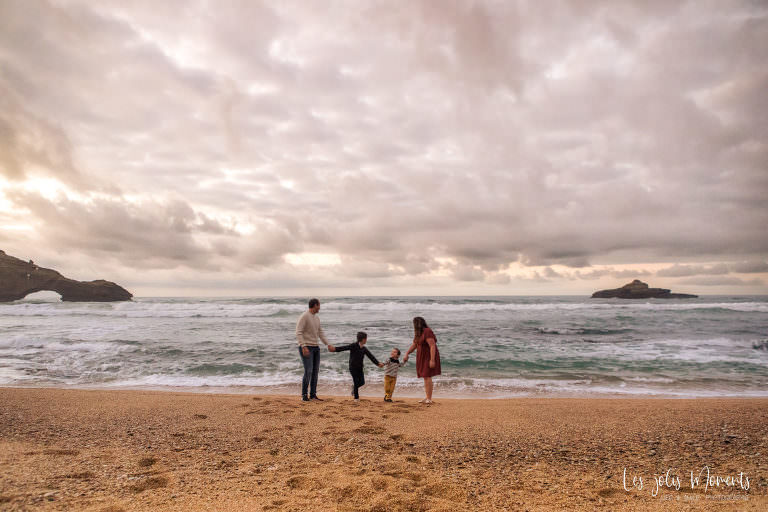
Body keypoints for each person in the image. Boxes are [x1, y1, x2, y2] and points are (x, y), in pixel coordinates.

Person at [296, 298, 334, 402]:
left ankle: (313, 395)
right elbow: (298, 332)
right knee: (308, 371)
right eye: (319, 305)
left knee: (315, 372)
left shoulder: (317, 318)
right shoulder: (304, 316)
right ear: (315, 305)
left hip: (316, 347)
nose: (320, 308)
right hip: (306, 347)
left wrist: (328, 344)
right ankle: (304, 395)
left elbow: (320, 333)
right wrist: (303, 346)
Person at [329, 331, 383, 401]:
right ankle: (356, 398)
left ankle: (354, 388)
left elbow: (371, 357)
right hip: (353, 367)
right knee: (356, 381)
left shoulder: (364, 348)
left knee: (362, 382)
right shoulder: (353, 345)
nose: (366, 340)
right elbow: (344, 348)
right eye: (366, 338)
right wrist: (335, 349)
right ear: (363, 339)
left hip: (360, 368)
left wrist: (378, 364)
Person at [402, 316, 441, 404]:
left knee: (427, 376)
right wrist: (407, 353)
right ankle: (427, 397)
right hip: (422, 356)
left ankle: (429, 399)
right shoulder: (418, 333)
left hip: (428, 356)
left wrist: (432, 360)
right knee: (425, 376)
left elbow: (432, 346)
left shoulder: (427, 331)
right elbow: (414, 345)